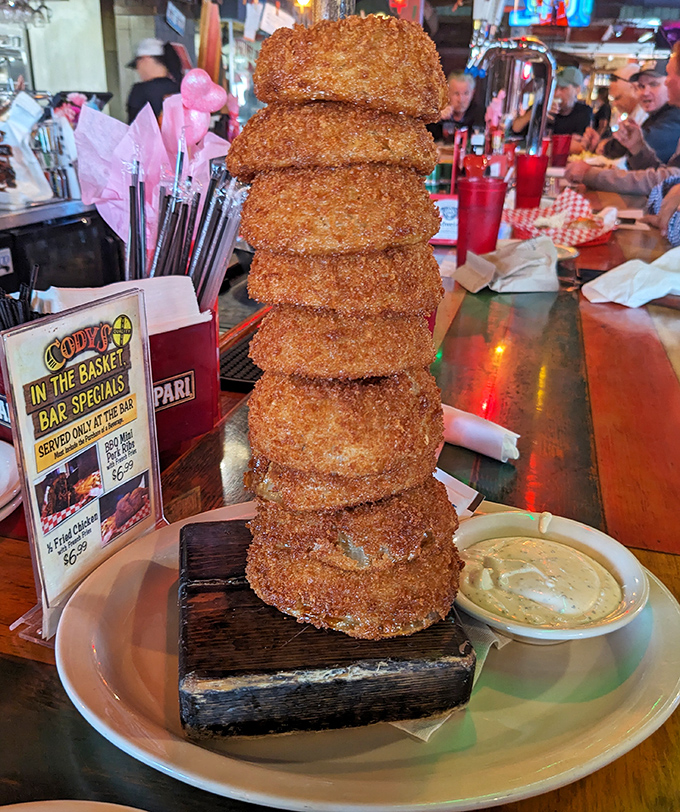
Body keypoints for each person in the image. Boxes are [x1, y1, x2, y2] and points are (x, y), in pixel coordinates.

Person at [565, 44, 680, 195]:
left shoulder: (673, 119)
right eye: (640, 86)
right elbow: (669, 178)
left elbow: (671, 181)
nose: (667, 82)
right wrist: (638, 149)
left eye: (654, 84)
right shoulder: (659, 116)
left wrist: (592, 175)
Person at [511, 66, 592, 138]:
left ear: (577, 90)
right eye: (555, 87)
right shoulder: (542, 106)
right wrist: (537, 112)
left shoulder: (584, 112)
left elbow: (580, 143)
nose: (556, 93)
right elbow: (515, 129)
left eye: (563, 88)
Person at [126, 38, 183, 124]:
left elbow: (133, 130)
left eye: (137, 64)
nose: (138, 69)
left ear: (146, 59)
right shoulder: (181, 88)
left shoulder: (140, 91)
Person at [428, 72, 485, 142]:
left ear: (472, 93)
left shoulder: (480, 114)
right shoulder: (434, 111)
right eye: (456, 93)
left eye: (466, 93)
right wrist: (436, 118)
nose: (461, 100)